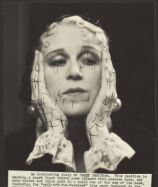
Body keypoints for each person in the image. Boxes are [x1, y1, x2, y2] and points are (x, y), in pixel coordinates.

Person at [5, 15, 155, 174]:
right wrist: (54, 135)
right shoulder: (8, 151)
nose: (75, 72)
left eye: (89, 60)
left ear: (108, 73)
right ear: (36, 76)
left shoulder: (146, 147)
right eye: (58, 61)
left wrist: (98, 132)